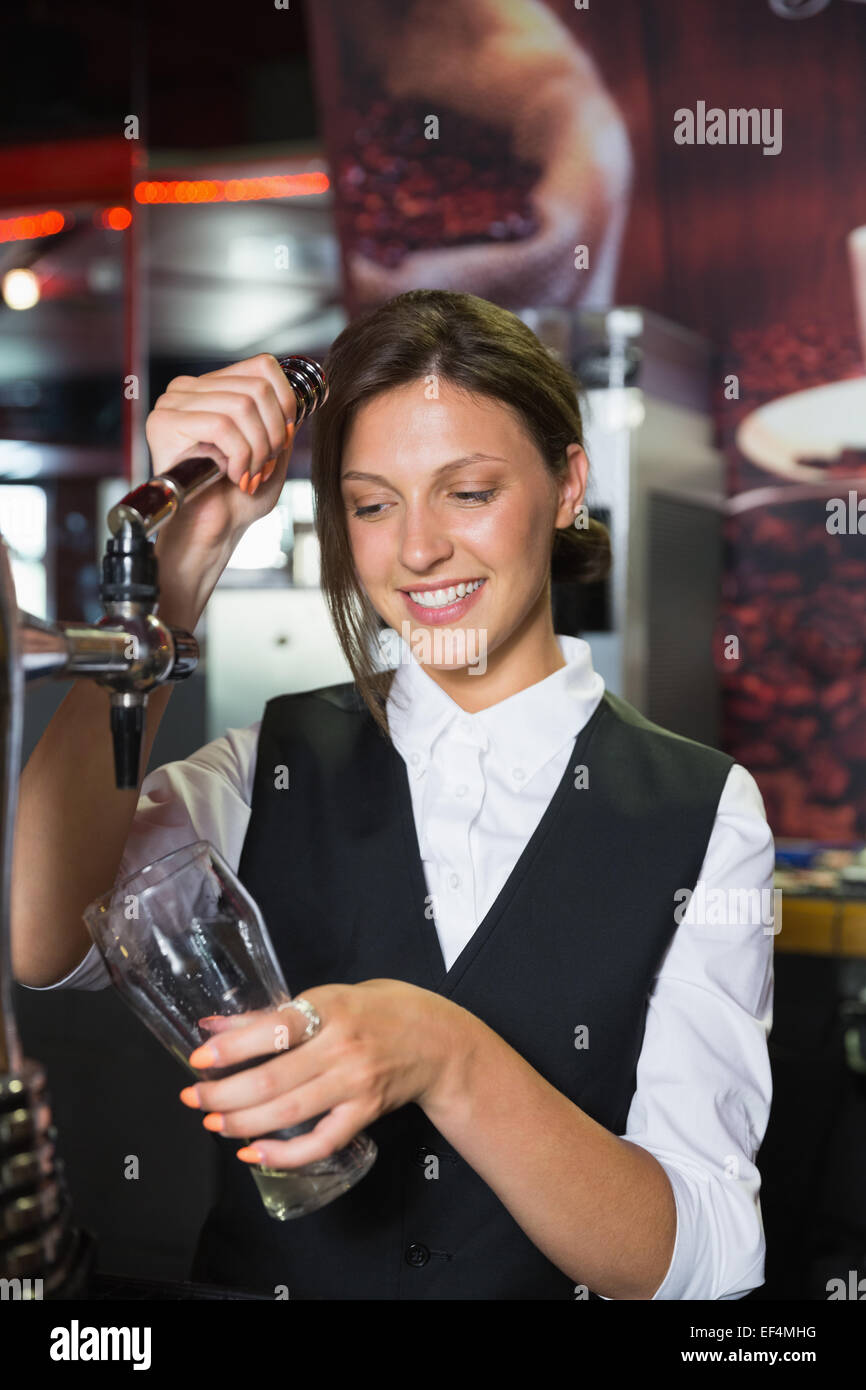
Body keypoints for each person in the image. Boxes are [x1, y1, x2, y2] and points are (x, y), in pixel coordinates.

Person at [13, 290, 774, 1301]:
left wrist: (445, 1055)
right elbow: (43, 939)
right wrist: (182, 562)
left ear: (565, 485)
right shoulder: (266, 767)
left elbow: (709, 1254)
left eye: (466, 492)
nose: (417, 549)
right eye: (372, 504)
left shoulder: (703, 808)